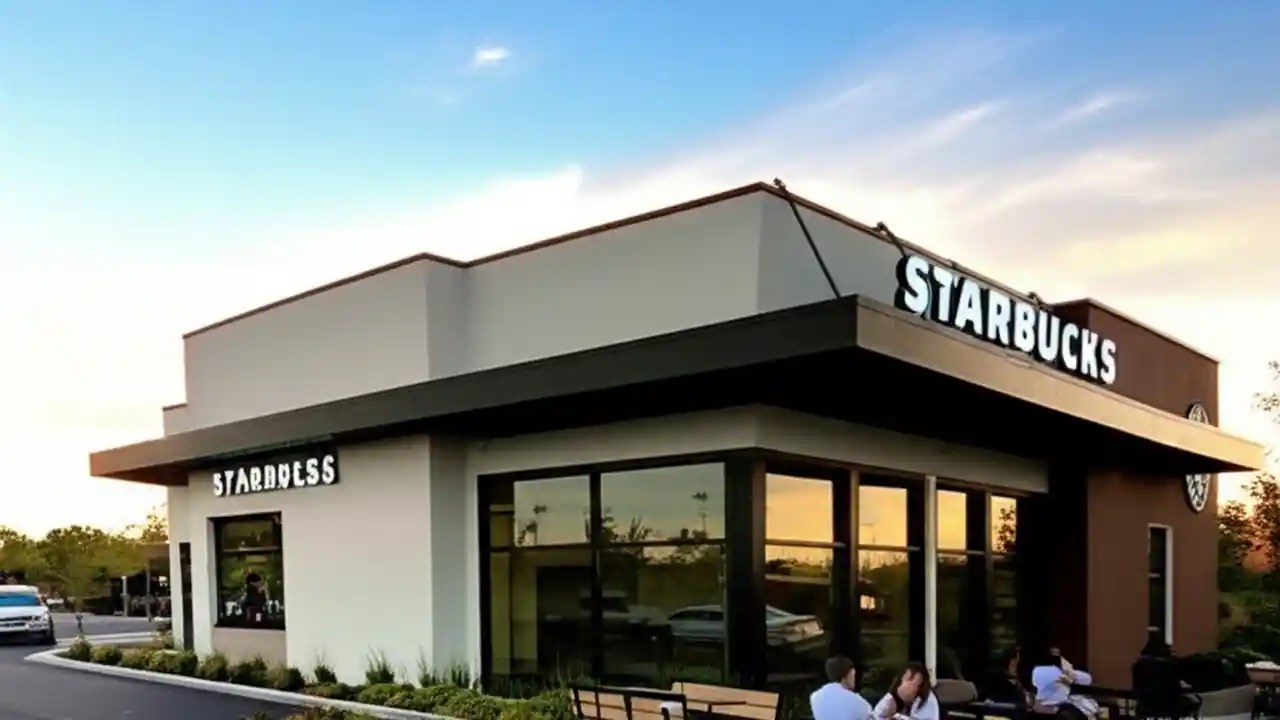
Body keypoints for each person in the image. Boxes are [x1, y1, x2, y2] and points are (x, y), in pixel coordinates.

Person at [1030, 646, 1098, 719]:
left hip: (1072, 705)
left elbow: (1087, 680)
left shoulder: (1069, 669)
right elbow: (1038, 704)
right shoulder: (1040, 672)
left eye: (1057, 655)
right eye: (1053, 654)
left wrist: (1072, 676)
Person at [873, 662, 940, 720]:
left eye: (918, 684)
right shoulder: (892, 697)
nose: (914, 688)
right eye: (908, 679)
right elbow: (875, 716)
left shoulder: (927, 699)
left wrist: (897, 716)